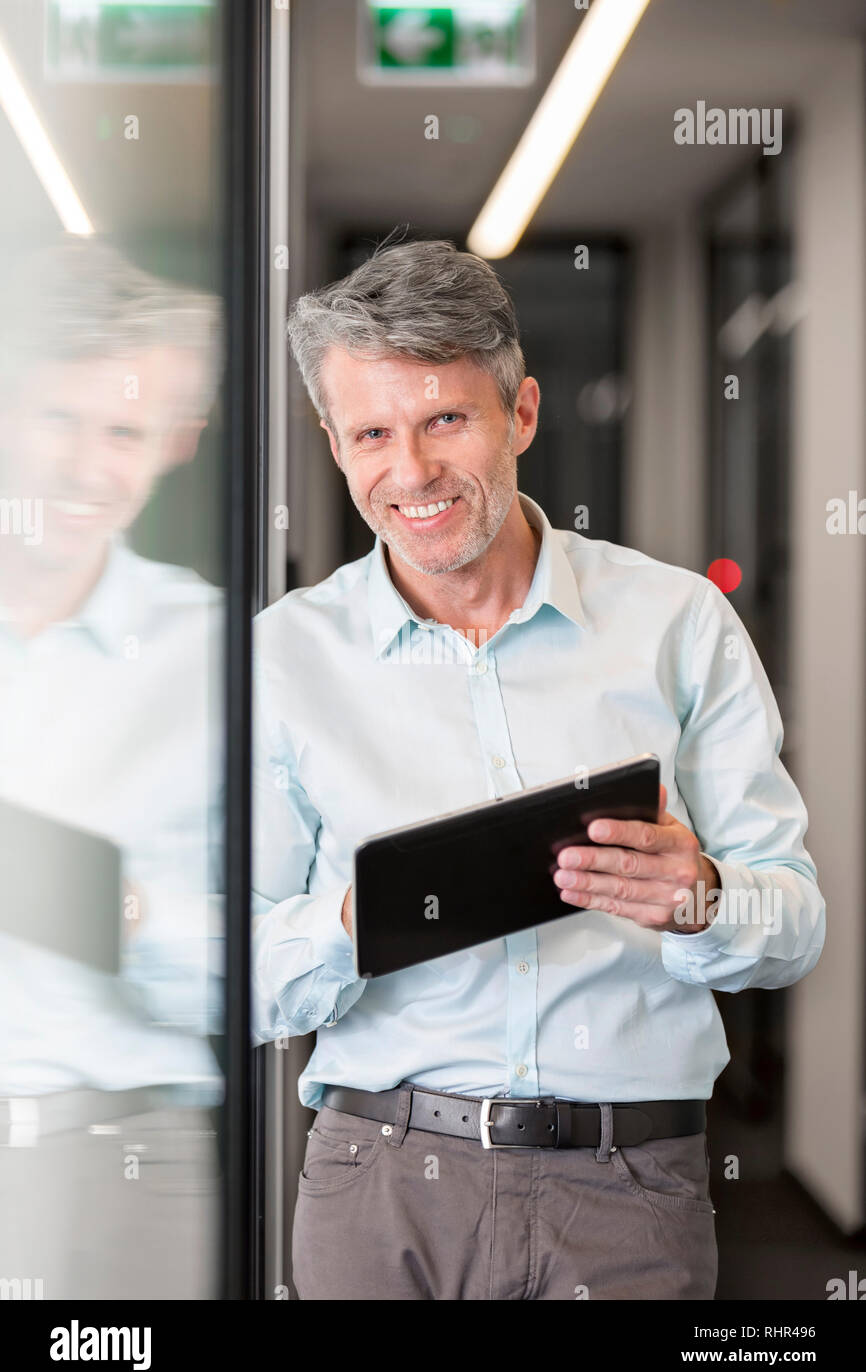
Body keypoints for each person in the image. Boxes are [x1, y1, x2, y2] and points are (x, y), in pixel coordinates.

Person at [251, 236, 825, 1301]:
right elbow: (229, 974)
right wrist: (348, 922)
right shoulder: (286, 657)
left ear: (518, 414)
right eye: (372, 432)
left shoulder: (676, 623)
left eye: (444, 421)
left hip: (626, 1189)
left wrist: (701, 899)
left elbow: (793, 925)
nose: (410, 471)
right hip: (378, 1185)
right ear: (335, 446)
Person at [0, 236, 225, 1299]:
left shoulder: (218, 656)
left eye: (124, 430)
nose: (87, 467)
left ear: (174, 442)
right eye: (55, 417)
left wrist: (116, 910)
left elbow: (267, 966)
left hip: (131, 1147)